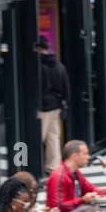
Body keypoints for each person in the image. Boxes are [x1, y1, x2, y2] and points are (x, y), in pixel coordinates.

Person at [36, 39, 70, 173]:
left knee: (39, 137)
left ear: (38, 49)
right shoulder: (59, 65)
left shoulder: (37, 66)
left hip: (42, 107)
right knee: (53, 138)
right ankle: (53, 167)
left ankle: (34, 166)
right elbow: (66, 88)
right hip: (56, 106)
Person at [46, 140, 106, 212]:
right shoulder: (58, 176)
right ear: (74, 156)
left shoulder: (75, 172)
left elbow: (90, 188)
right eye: (85, 154)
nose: (88, 157)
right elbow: (56, 207)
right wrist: (82, 200)